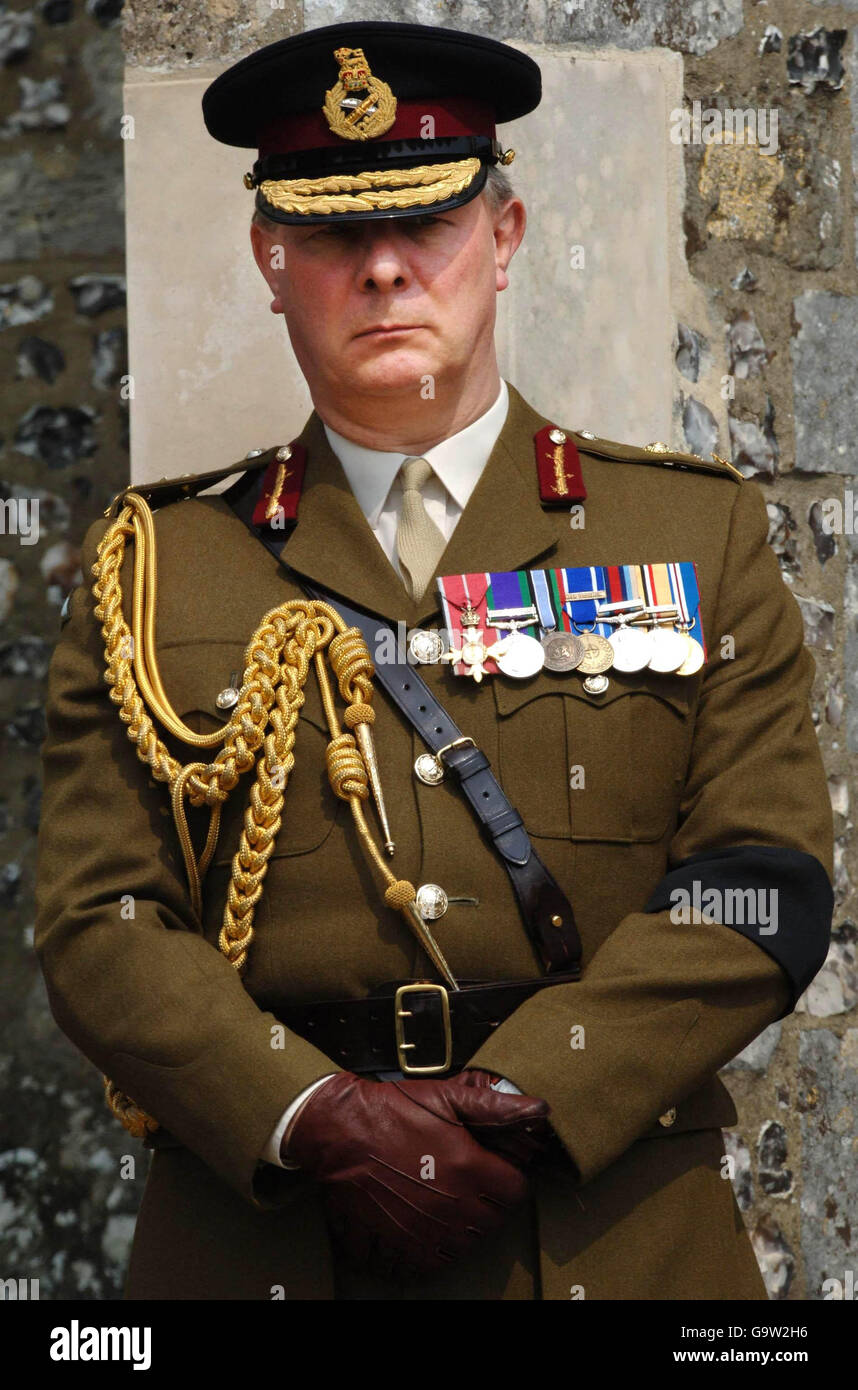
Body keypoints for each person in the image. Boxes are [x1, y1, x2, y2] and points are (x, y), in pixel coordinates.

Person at [34, 19, 833, 1301]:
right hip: (275, 1240)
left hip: (606, 1236)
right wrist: (318, 1117)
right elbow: (97, 923)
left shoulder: (693, 532)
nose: (388, 272)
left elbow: (764, 882)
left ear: (504, 241)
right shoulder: (156, 569)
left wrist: (530, 1093)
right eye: (341, 235)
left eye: (430, 225)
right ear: (271, 259)